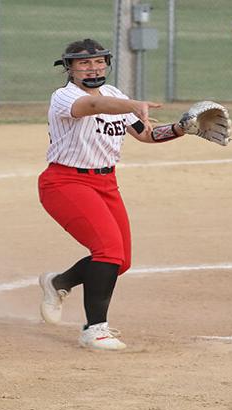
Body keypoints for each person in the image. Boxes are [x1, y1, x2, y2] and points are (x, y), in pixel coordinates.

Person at [37, 39, 190, 351]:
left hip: (106, 183)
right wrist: (132, 104)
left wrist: (183, 128)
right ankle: (95, 330)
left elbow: (146, 134)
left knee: (121, 261)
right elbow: (92, 107)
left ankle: (59, 282)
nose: (93, 68)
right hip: (65, 182)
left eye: (98, 62)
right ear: (69, 68)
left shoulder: (116, 95)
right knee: (107, 251)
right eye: (83, 63)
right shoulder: (64, 97)